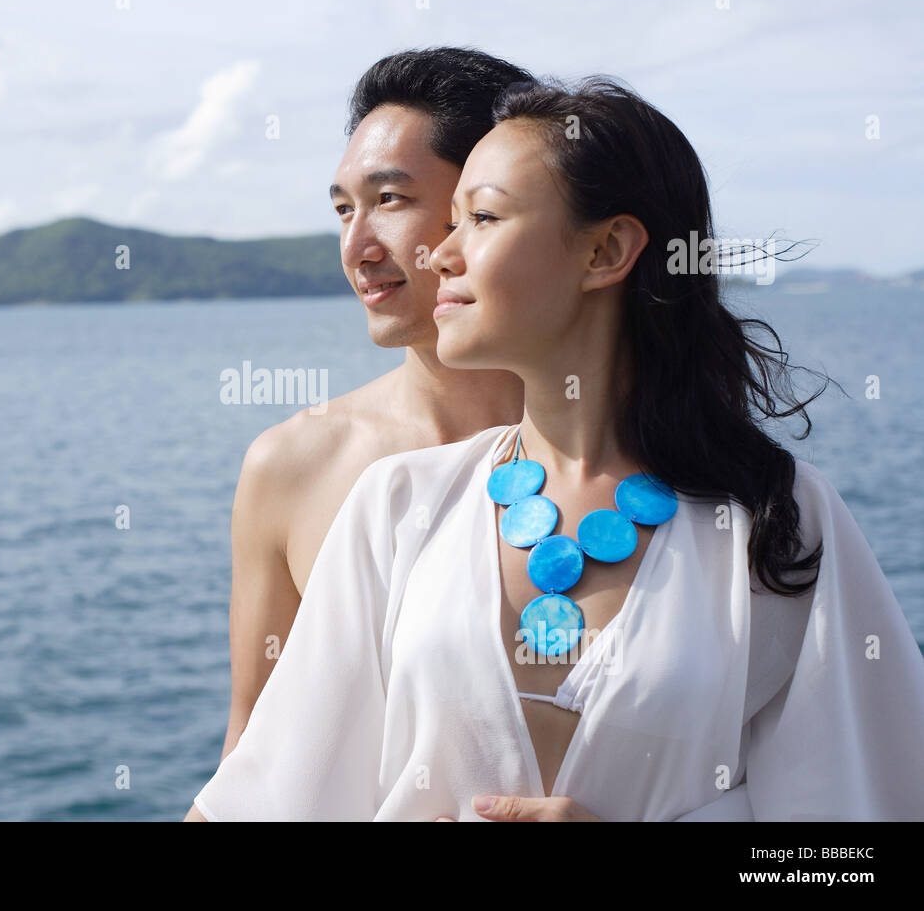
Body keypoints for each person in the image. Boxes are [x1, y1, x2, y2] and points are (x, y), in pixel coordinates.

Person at [188, 76, 924, 821]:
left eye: (479, 218)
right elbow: (256, 799)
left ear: (606, 251)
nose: (441, 255)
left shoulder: (778, 517)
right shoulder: (396, 504)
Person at [205, 49, 531, 780]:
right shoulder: (293, 465)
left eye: (389, 199)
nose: (356, 248)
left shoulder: (627, 459)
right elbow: (252, 757)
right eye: (343, 209)